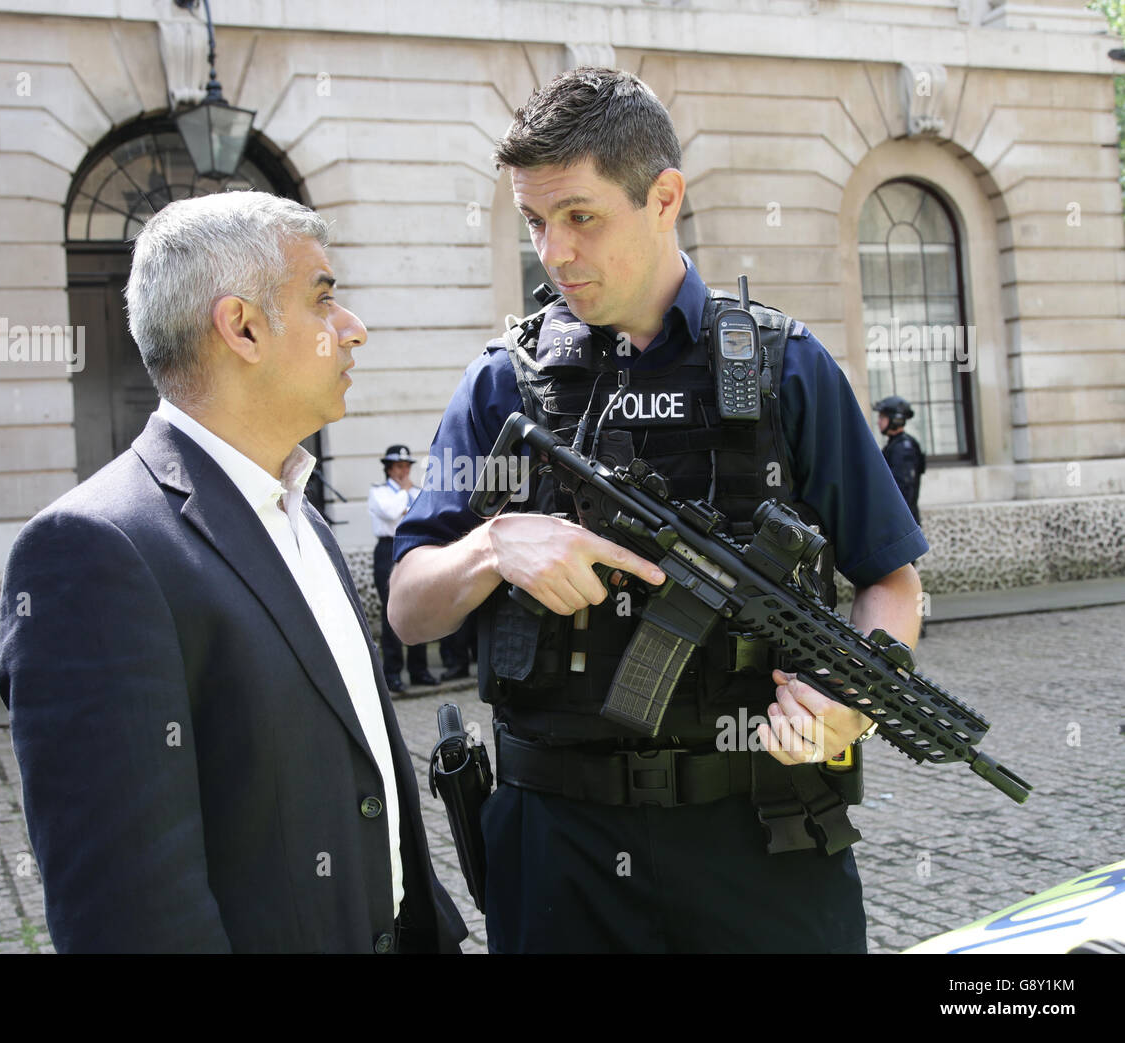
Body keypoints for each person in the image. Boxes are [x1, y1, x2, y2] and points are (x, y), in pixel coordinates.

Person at [389, 68, 926, 953]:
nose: (553, 252)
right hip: (558, 847)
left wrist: (854, 694)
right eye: (534, 221)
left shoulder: (787, 368)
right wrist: (490, 546)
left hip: (763, 838)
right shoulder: (500, 384)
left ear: (664, 195)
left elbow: (891, 580)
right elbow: (409, 604)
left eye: (580, 216)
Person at [0, 192, 464, 953]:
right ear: (241, 327)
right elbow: (132, 921)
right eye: (324, 299)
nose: (353, 328)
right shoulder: (91, 552)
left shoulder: (300, 515)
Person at [368, 446, 440, 692]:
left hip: (414, 548)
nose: (403, 471)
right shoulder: (379, 492)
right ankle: (392, 673)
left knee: (419, 608)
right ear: (389, 468)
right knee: (392, 612)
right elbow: (389, 512)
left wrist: (409, 495)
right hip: (388, 550)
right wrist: (405, 492)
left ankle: (419, 670)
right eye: (399, 466)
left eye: (407, 466)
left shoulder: (417, 491)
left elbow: (427, 515)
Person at [874, 395, 927, 523]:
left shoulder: (903, 448)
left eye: (882, 417)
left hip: (902, 522)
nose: (878, 422)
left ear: (895, 420)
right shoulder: (895, 445)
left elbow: (901, 489)